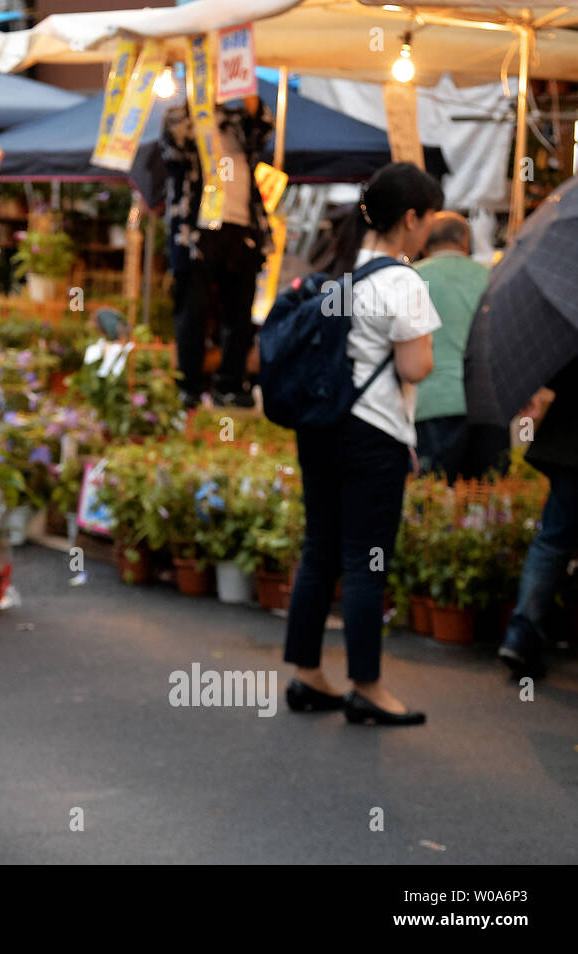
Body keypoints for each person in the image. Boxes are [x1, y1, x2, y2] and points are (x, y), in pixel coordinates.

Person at [283, 162, 443, 727]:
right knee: (365, 561)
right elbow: (416, 365)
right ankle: (367, 686)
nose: (427, 232)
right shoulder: (403, 281)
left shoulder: (340, 273)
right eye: (427, 220)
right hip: (372, 437)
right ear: (411, 218)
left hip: (321, 430)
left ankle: (306, 674)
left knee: (319, 549)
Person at [160, 95, 273, 408]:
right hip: (194, 229)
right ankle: (189, 385)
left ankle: (231, 384)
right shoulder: (180, 116)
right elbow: (175, 142)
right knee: (192, 309)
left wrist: (244, 83)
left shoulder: (238, 120)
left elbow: (261, 129)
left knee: (240, 312)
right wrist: (198, 100)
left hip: (242, 225)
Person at [498, 358, 578, 678]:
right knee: (553, 541)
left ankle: (521, 633)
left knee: (551, 541)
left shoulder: (569, 315)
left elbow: (554, 370)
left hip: (569, 443)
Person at [413, 212, 490, 480]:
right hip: (487, 406)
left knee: (434, 503)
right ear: (466, 242)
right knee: (484, 504)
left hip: (430, 404)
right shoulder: (492, 277)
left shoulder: (411, 279)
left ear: (424, 243)